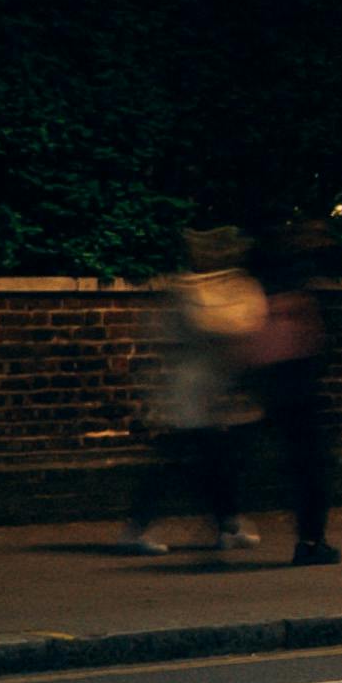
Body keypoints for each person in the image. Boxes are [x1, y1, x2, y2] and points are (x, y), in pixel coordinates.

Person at [121, 227, 262, 558]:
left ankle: (227, 524)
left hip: (212, 389)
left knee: (214, 459)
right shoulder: (190, 290)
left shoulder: (221, 286)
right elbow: (218, 325)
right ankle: (140, 527)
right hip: (192, 391)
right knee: (180, 460)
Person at [247, 213, 342, 565]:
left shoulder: (269, 283)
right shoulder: (300, 285)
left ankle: (307, 536)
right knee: (311, 466)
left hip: (278, 386)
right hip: (298, 388)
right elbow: (312, 335)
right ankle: (310, 541)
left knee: (297, 464)